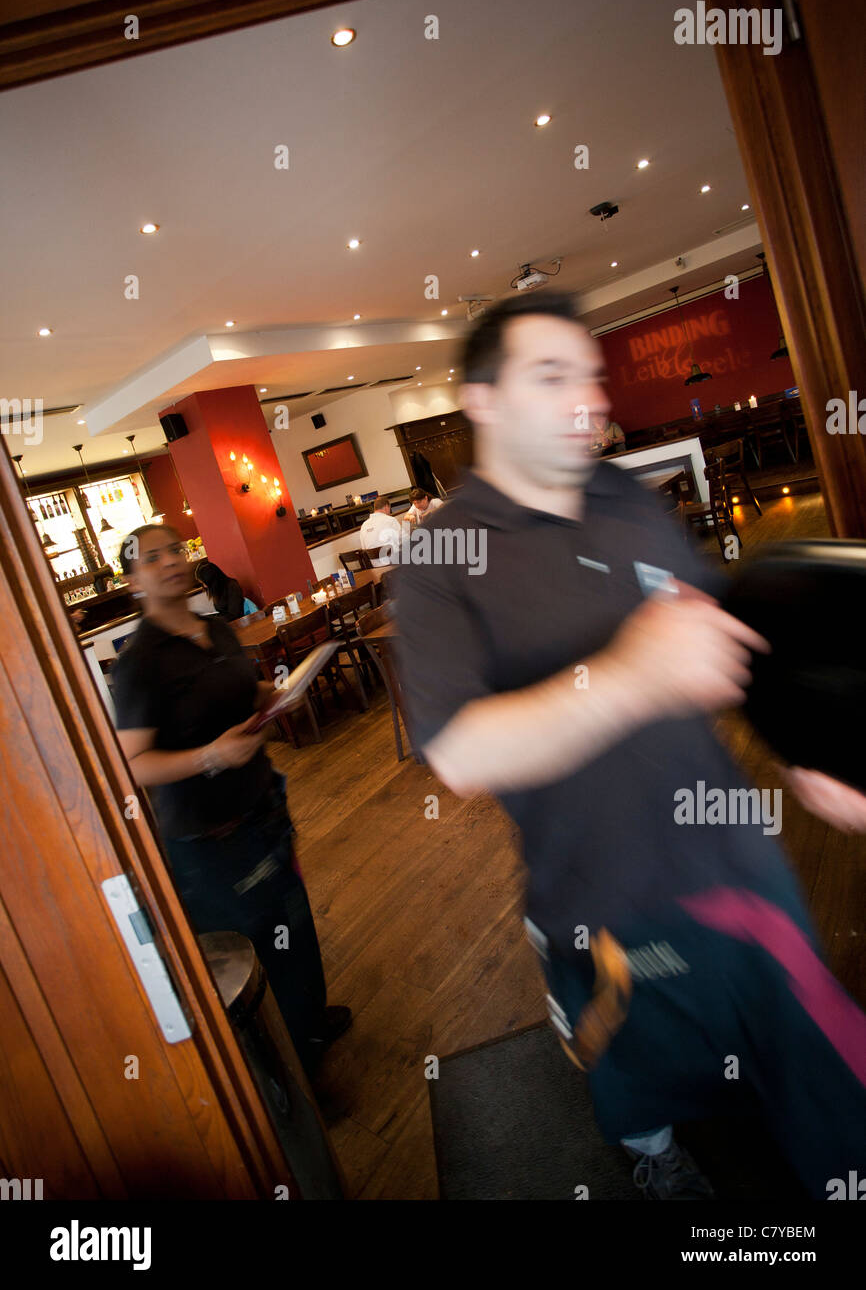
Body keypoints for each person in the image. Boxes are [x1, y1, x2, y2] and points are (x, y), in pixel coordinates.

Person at [394, 290, 866, 1200]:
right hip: (603, 896)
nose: (592, 402)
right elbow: (459, 756)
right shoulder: (441, 560)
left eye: (594, 377)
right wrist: (626, 675)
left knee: (816, 1072)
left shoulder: (625, 497)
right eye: (553, 376)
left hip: (735, 856)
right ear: (483, 401)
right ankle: (656, 1156)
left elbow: (722, 632)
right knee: (642, 1077)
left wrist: (820, 745)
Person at [113, 524, 351, 1077]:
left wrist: (276, 696)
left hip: (264, 809)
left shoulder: (215, 629)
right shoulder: (139, 664)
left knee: (292, 920)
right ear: (133, 583)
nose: (171, 561)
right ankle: (292, 1074)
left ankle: (310, 1024)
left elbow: (248, 691)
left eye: (175, 549)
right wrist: (209, 757)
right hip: (209, 839)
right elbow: (132, 766)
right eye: (153, 558)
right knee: (255, 947)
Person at [358, 496, 403, 565]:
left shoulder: (364, 525)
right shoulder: (390, 520)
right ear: (386, 507)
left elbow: (364, 549)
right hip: (393, 564)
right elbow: (402, 541)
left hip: (374, 567)